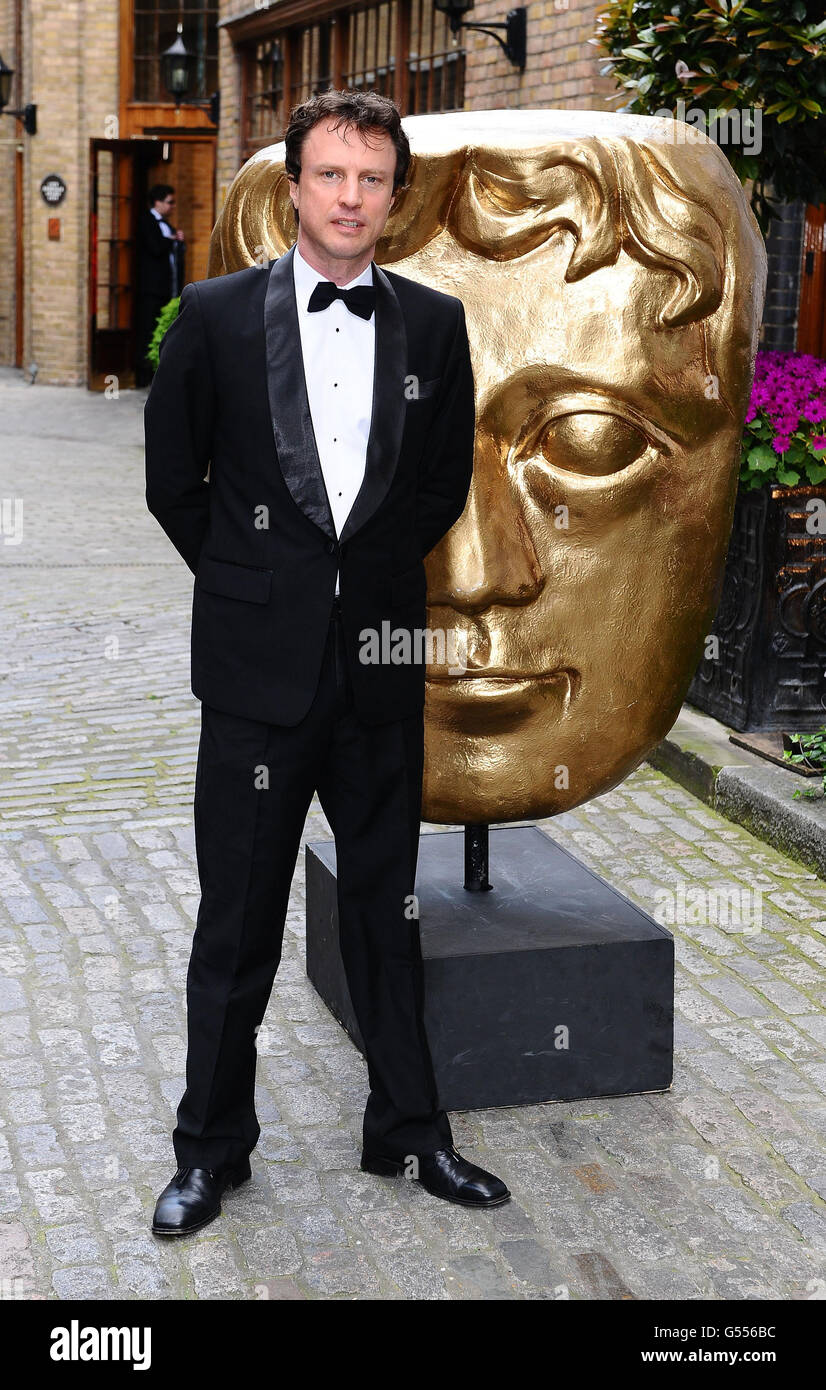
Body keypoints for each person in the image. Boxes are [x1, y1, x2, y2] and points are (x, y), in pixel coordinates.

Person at [144, 88, 510, 1237]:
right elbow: (174, 483)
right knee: (236, 923)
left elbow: (437, 487)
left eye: (371, 179)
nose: (350, 198)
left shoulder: (437, 326)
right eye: (330, 176)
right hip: (258, 683)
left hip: (380, 672)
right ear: (293, 186)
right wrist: (263, 591)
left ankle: (408, 1129)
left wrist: (362, 590)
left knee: (385, 911)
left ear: (393, 197)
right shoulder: (206, 316)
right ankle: (211, 1149)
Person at [136, 185, 185, 387]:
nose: (173, 206)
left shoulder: (167, 225)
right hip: (151, 289)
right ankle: (143, 376)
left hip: (168, 287)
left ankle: (159, 375)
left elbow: (174, 252)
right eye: (170, 202)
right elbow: (155, 248)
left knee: (164, 332)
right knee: (148, 330)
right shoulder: (146, 221)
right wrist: (172, 239)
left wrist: (179, 241)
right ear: (157, 202)